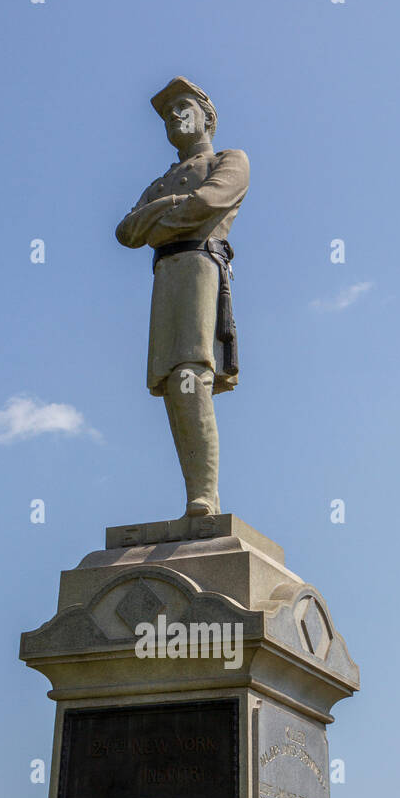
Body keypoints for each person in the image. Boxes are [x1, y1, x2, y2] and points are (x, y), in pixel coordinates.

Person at [116, 77, 249, 517]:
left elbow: (207, 204)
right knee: (174, 383)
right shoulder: (161, 182)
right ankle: (195, 492)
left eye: (183, 107)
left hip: (200, 267)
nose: (174, 116)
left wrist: (161, 215)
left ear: (207, 116)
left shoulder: (229, 159)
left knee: (194, 376)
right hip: (166, 276)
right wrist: (172, 204)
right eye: (167, 113)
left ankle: (203, 496)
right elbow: (127, 231)